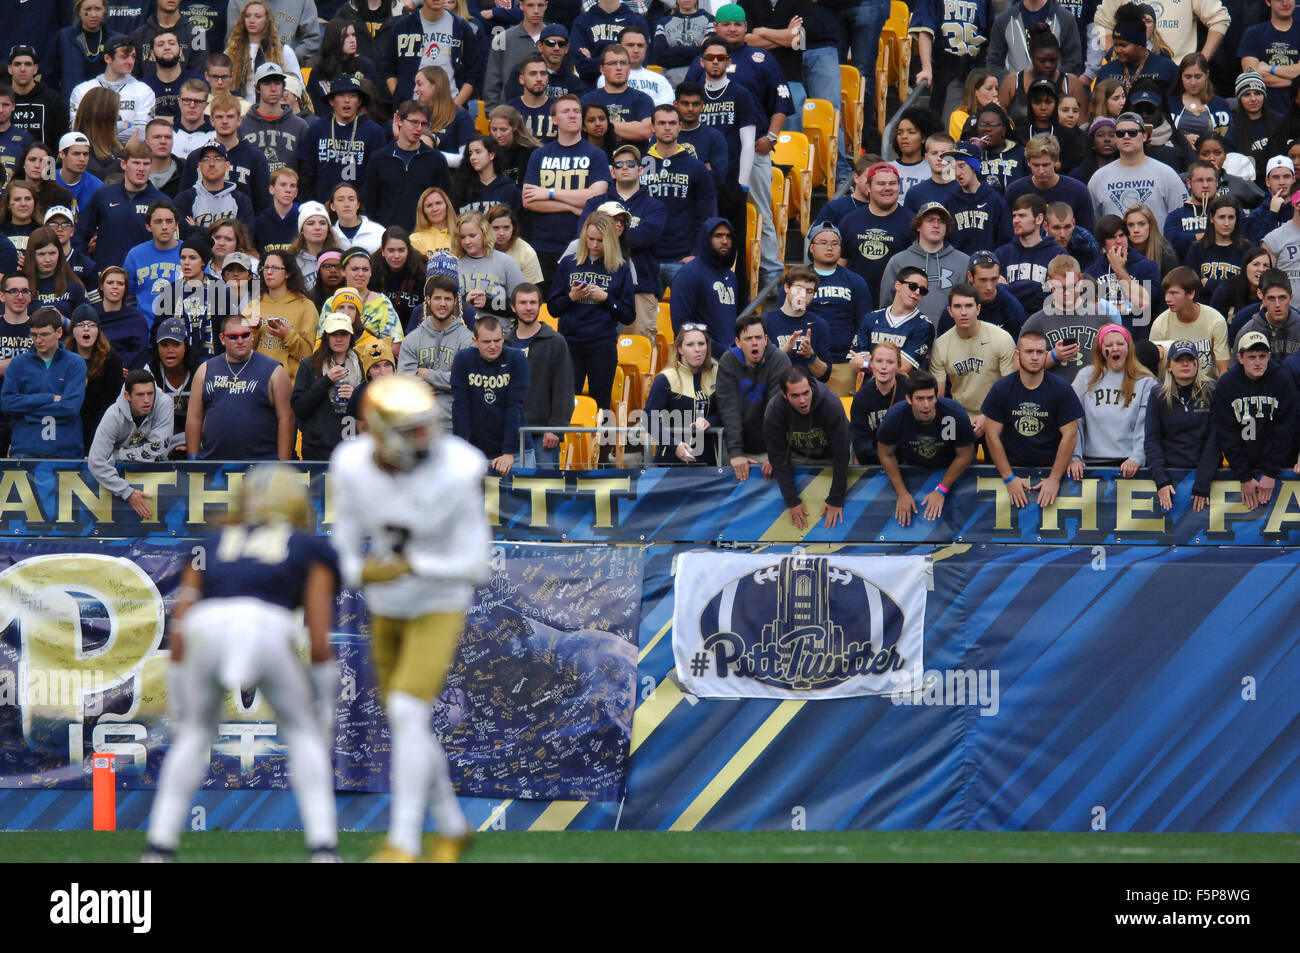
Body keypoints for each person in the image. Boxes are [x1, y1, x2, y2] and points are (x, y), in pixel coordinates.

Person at [329, 373, 489, 862]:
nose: (426, 437)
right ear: (379, 432)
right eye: (412, 429)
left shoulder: (458, 467)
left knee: (405, 711)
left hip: (440, 599)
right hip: (388, 604)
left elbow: (478, 564)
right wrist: (359, 572)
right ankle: (454, 826)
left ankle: (402, 843)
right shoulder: (352, 464)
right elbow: (344, 540)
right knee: (408, 721)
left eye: (427, 426)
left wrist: (413, 564)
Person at [142, 463, 338, 863]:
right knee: (303, 734)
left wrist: (180, 692)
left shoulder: (214, 543)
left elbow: (180, 627)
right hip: (267, 624)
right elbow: (318, 639)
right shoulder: (309, 548)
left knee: (194, 734)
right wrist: (326, 698)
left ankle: (159, 847)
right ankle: (323, 848)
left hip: (205, 627)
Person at [981, 329, 1085, 508]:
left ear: (1046, 354)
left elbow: (1070, 435)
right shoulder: (1001, 388)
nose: (1035, 357)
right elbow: (991, 435)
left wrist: (1054, 478)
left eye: (1040, 352)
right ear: (1018, 354)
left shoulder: (1062, 389)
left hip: (1050, 469)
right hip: (1011, 470)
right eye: (1029, 352)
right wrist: (1009, 478)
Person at [522, 93, 612, 289]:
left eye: (576, 111)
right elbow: (529, 200)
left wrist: (550, 193)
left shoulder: (596, 155)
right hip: (543, 245)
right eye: (566, 111)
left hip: (583, 245)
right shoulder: (539, 155)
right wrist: (571, 206)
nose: (573, 115)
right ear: (555, 120)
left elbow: (595, 197)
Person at [546, 210, 633, 411]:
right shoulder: (568, 264)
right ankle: (569, 443)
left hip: (602, 345)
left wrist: (606, 299)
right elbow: (552, 309)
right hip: (570, 343)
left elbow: (628, 315)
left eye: (600, 241)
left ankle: (600, 443)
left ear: (610, 240)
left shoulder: (621, 268)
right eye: (590, 239)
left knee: (599, 404)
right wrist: (572, 297)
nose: (594, 245)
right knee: (568, 403)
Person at [186, 312, 293, 460]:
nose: (240, 340)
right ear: (222, 339)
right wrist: (193, 459)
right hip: (213, 466)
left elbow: (286, 418)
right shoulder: (205, 370)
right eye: (233, 337)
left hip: (261, 466)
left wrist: (283, 464)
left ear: (252, 335)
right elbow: (194, 417)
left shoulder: (275, 371)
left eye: (245, 335)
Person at [876, 370, 977, 527]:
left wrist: (941, 490)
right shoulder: (895, 417)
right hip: (914, 469)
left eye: (930, 398)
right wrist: (902, 493)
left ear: (937, 397)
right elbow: (885, 454)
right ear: (909, 399)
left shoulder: (954, 413)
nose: (926, 405)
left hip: (952, 470)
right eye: (920, 399)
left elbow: (965, 455)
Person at [1211, 330, 1299, 510]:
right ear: (1240, 358)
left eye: (1262, 356)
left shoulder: (1282, 379)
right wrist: (1243, 476)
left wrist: (1271, 473)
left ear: (1269, 356)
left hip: (1280, 466)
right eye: (1251, 357)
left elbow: (1287, 429)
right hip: (1241, 465)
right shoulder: (1227, 384)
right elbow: (1227, 434)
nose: (1258, 362)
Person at [761, 367, 848, 530]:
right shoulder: (774, 410)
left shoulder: (830, 403)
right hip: (796, 455)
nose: (802, 400)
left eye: (806, 393)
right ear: (784, 394)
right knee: (772, 465)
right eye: (795, 395)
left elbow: (842, 455)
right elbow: (778, 458)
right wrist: (791, 501)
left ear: (812, 387)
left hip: (831, 455)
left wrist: (836, 498)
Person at [1066, 323, 1156, 477]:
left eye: (1120, 344)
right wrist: (1074, 457)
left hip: (1129, 465)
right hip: (1090, 462)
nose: (1115, 348)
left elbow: (1145, 425)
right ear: (1101, 350)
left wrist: (1137, 458)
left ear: (1129, 348)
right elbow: (1074, 421)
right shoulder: (1085, 377)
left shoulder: (1145, 380)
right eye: (1109, 345)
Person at [929, 282, 1017, 439]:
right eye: (957, 306)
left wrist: (987, 416)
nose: (963, 312)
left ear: (978, 309)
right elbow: (939, 397)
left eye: (969, 306)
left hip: (997, 413)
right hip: (958, 416)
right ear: (950, 311)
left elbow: (1009, 388)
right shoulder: (941, 345)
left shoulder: (1001, 338)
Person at [1, 307, 87, 458]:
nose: (38, 340)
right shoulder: (18, 364)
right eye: (34, 335)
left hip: (66, 451)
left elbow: (70, 408)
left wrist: (27, 413)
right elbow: (7, 403)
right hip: (25, 449)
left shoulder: (75, 363)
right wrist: (49, 398)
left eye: (44, 334)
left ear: (59, 332)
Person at [87, 369, 174, 518]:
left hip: (153, 478)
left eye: (150, 393)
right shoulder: (113, 415)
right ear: (127, 395)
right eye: (140, 395)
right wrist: (128, 493)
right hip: (115, 483)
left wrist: (116, 455)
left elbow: (158, 452)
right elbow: (95, 462)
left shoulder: (164, 403)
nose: (147, 400)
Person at [1144, 339, 1219, 512]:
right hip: (1170, 473)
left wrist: (1203, 480)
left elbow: (1216, 438)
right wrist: (1161, 480)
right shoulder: (1158, 394)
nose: (1185, 363)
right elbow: (1152, 439)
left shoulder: (1213, 390)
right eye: (1179, 359)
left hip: (1206, 475)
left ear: (1197, 363)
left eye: (1189, 358)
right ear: (1169, 366)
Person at [717, 314, 793, 481]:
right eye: (748, 338)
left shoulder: (779, 360)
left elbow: (778, 410)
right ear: (738, 342)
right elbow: (729, 410)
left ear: (766, 339)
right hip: (738, 446)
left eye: (758, 337)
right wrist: (736, 453)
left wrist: (775, 452)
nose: (754, 343)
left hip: (771, 446)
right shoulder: (728, 361)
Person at [504, 282, 573, 468]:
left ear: (540, 306)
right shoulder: (505, 344)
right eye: (523, 302)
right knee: (512, 491)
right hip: (510, 433)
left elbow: (564, 388)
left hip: (543, 434)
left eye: (533, 303)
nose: (528, 307)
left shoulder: (556, 342)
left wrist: (555, 429)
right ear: (513, 307)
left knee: (546, 490)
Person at [450, 314, 529, 475]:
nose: (493, 346)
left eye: (497, 340)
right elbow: (460, 408)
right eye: (486, 342)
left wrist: (508, 453)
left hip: (515, 448)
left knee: (520, 500)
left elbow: (515, 406)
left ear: (503, 337)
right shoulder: (463, 359)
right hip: (475, 449)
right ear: (475, 341)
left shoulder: (517, 358)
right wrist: (461, 451)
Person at [75, 140, 169, 271]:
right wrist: (87, 269)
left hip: (144, 281)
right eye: (136, 163)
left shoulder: (162, 202)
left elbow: (171, 246)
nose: (141, 169)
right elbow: (79, 236)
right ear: (124, 164)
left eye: (146, 164)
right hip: (106, 279)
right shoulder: (103, 195)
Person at [297, 75, 387, 204]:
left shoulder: (374, 132)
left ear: (359, 101)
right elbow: (307, 174)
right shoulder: (317, 129)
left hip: (359, 210)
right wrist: (313, 206)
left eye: (352, 96)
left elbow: (377, 176)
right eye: (341, 95)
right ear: (332, 101)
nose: (347, 100)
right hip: (323, 208)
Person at [397, 274, 474, 426]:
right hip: (419, 424)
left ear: (455, 301)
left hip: (454, 423)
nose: (442, 304)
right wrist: (445, 385)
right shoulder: (412, 339)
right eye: (438, 298)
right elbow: (405, 382)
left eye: (448, 299)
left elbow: (466, 380)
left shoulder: (467, 339)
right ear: (428, 300)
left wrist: (427, 374)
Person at [364, 101, 452, 232]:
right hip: (386, 234)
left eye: (423, 124)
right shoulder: (379, 159)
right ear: (399, 121)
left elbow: (446, 199)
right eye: (414, 122)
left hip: (424, 234)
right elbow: (370, 203)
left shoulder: (436, 159)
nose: (419, 128)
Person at [1088, 111, 1190, 224]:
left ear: (1144, 135)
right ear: (1116, 138)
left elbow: (1182, 218)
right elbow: (1094, 223)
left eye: (1132, 132)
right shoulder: (1099, 178)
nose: (1126, 136)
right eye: (1120, 133)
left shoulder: (1166, 174)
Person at [878, 203, 970, 325]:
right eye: (930, 220)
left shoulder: (964, 262)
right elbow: (886, 307)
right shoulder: (898, 261)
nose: (936, 225)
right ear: (918, 226)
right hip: (909, 337)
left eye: (941, 221)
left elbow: (971, 306)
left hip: (951, 338)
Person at [291, 311, 363, 461]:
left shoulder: (361, 363)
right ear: (326, 337)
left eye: (344, 334)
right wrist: (325, 381)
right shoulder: (309, 365)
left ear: (351, 337)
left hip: (351, 447)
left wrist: (356, 395)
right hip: (317, 448)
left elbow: (370, 408)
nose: (339, 339)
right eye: (333, 334)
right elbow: (299, 407)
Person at [839, 162, 914, 304]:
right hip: (855, 302)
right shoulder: (850, 221)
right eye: (881, 184)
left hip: (897, 304)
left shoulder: (913, 222)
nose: (887, 188)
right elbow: (839, 265)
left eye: (893, 183)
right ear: (868, 187)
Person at [68, 35, 156, 146]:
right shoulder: (82, 90)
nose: (131, 61)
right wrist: (123, 125)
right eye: (124, 57)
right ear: (108, 58)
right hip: (89, 156)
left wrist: (99, 133)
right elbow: (77, 129)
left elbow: (142, 132)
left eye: (133, 57)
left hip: (128, 156)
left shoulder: (143, 90)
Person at [669, 218, 737, 358]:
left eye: (728, 236)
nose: (724, 241)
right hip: (699, 359)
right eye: (718, 236)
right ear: (706, 238)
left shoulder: (731, 277)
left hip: (728, 359)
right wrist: (714, 348)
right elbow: (682, 324)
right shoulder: (689, 273)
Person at [1085, 214, 1161, 339]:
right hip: (1103, 339)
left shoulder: (1147, 266)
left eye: (1122, 235)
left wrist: (1119, 270)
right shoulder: (1092, 272)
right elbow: (1089, 309)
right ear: (1102, 243)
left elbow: (1143, 303)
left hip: (1137, 339)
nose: (1119, 241)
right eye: (1112, 237)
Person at [854, 266, 939, 377]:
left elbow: (903, 368)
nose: (917, 292)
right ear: (898, 285)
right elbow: (854, 364)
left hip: (903, 391)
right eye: (913, 286)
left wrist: (866, 364)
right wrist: (865, 364)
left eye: (923, 290)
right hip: (870, 389)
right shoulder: (870, 318)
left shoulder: (924, 326)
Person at [1149, 266, 1230, 376]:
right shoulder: (1160, 323)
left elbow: (1223, 371)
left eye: (1173, 293)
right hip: (1172, 388)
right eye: (1166, 293)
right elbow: (1152, 371)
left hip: (1208, 388)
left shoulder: (1215, 320)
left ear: (1191, 294)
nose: (1167, 299)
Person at [1006, 134, 1095, 235]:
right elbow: (1008, 231)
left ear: (1056, 160)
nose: (1041, 171)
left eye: (1045, 165)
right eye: (1036, 165)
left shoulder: (1078, 190)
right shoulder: (1015, 190)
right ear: (1028, 162)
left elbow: (1087, 233)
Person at [453, 210, 526, 327]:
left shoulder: (506, 262)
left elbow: (523, 306)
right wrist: (463, 301)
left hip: (500, 336)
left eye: (472, 236)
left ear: (484, 233)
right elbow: (442, 308)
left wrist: (488, 303)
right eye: (462, 237)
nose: (467, 241)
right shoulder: (453, 265)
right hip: (462, 337)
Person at [764, 266, 832, 386]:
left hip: (807, 394)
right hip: (773, 391)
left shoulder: (819, 325)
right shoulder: (765, 322)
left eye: (809, 291)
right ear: (786, 288)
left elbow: (824, 376)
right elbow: (756, 368)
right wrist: (783, 351)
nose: (803, 294)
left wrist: (810, 356)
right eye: (799, 289)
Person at [238, 62, 311, 174]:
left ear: (283, 87)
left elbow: (306, 171)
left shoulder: (300, 126)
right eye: (267, 83)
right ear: (257, 88)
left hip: (289, 190)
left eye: (277, 83)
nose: (273, 89)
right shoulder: (242, 124)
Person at [944, 141, 1013, 256]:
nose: (957, 173)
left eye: (961, 166)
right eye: (954, 167)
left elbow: (1006, 239)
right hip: (959, 268)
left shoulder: (994, 200)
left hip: (988, 268)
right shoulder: (950, 201)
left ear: (974, 167)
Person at [996, 194, 1060, 315]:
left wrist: (1010, 288)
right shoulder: (1002, 254)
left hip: (1045, 322)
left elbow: (1057, 295)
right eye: (1014, 216)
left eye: (1022, 215)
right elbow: (997, 293)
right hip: (1010, 321)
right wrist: (1039, 287)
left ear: (1039, 219)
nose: (1015, 220)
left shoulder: (1057, 254)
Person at [70, 306, 125, 446]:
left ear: (98, 331)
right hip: (71, 427)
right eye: (80, 325)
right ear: (73, 332)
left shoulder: (112, 359)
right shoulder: (64, 358)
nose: (86, 329)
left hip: (102, 427)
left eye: (92, 325)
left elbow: (110, 405)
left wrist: (97, 443)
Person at [483, 0, 551, 111]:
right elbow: (493, 80)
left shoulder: (557, 40)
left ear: (546, 6)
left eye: (540, 5)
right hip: (509, 115)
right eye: (530, 5)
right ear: (521, 6)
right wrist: (492, 113)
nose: (536, 11)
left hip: (549, 114)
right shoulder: (502, 39)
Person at [849, 341, 908, 465]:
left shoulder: (908, 389)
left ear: (898, 366)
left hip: (906, 461)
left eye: (890, 362)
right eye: (879, 361)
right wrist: (883, 458)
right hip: (873, 462)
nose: (884, 367)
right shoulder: (861, 398)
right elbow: (861, 445)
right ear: (871, 365)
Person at [123, 200, 184, 320]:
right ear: (148, 226)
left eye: (169, 221)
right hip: (146, 330)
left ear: (176, 225)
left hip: (182, 330)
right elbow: (125, 295)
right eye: (158, 222)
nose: (164, 227)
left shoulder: (191, 252)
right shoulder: (135, 255)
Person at [1240, 0, 1300, 115]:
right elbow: (1251, 76)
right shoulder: (1253, 34)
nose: (1285, 3)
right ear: (1268, 2)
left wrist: (1269, 68)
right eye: (1279, 0)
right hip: (1264, 114)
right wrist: (1295, 81)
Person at [1186, 195, 1247, 303]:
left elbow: (1246, 289)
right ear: (1211, 218)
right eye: (1221, 217)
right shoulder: (1197, 249)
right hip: (1203, 311)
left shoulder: (1247, 250)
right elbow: (1191, 287)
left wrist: (1210, 284)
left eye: (1231, 217)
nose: (1227, 223)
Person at [7, 46, 66, 155]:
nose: (23, 69)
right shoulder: (3, 99)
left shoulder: (53, 100)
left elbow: (60, 144)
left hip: (44, 167)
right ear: (10, 69)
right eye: (17, 64)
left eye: (28, 64)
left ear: (35, 69)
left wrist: (49, 172)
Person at [24, 227, 88, 322]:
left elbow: (87, 327)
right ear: (31, 255)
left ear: (60, 253)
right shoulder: (21, 285)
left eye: (52, 253)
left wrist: (62, 320)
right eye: (41, 254)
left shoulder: (74, 284)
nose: (48, 259)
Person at [1234, 268, 1300, 359]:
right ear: (1262, 298)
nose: (1277, 304)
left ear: (1291, 298)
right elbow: (1235, 370)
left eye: (1282, 298)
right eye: (1271, 298)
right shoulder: (1247, 331)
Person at [486, 204, 543, 286]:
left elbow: (530, 291)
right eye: (496, 228)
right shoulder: (479, 247)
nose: (501, 233)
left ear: (514, 228)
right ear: (487, 228)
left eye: (506, 227)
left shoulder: (527, 252)